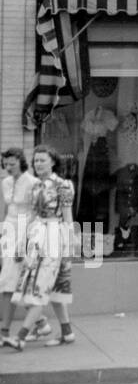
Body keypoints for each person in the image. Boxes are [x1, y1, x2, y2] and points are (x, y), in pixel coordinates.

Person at [3, 145, 77, 349]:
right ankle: (67, 333)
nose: (38, 164)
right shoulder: (36, 187)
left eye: (43, 160)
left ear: (53, 162)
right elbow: (33, 216)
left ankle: (20, 337)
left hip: (55, 235)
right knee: (47, 288)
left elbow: (68, 217)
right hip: (37, 235)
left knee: (40, 287)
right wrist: (23, 243)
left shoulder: (63, 185)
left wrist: (70, 245)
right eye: (36, 160)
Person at [0, 148, 51, 343]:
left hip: (25, 234)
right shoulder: (5, 182)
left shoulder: (33, 182)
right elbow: (7, 208)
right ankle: (41, 323)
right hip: (8, 233)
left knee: (9, 282)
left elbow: (36, 214)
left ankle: (5, 332)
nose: (9, 167)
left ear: (21, 162)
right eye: (6, 164)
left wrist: (25, 242)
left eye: (13, 163)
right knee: (13, 282)